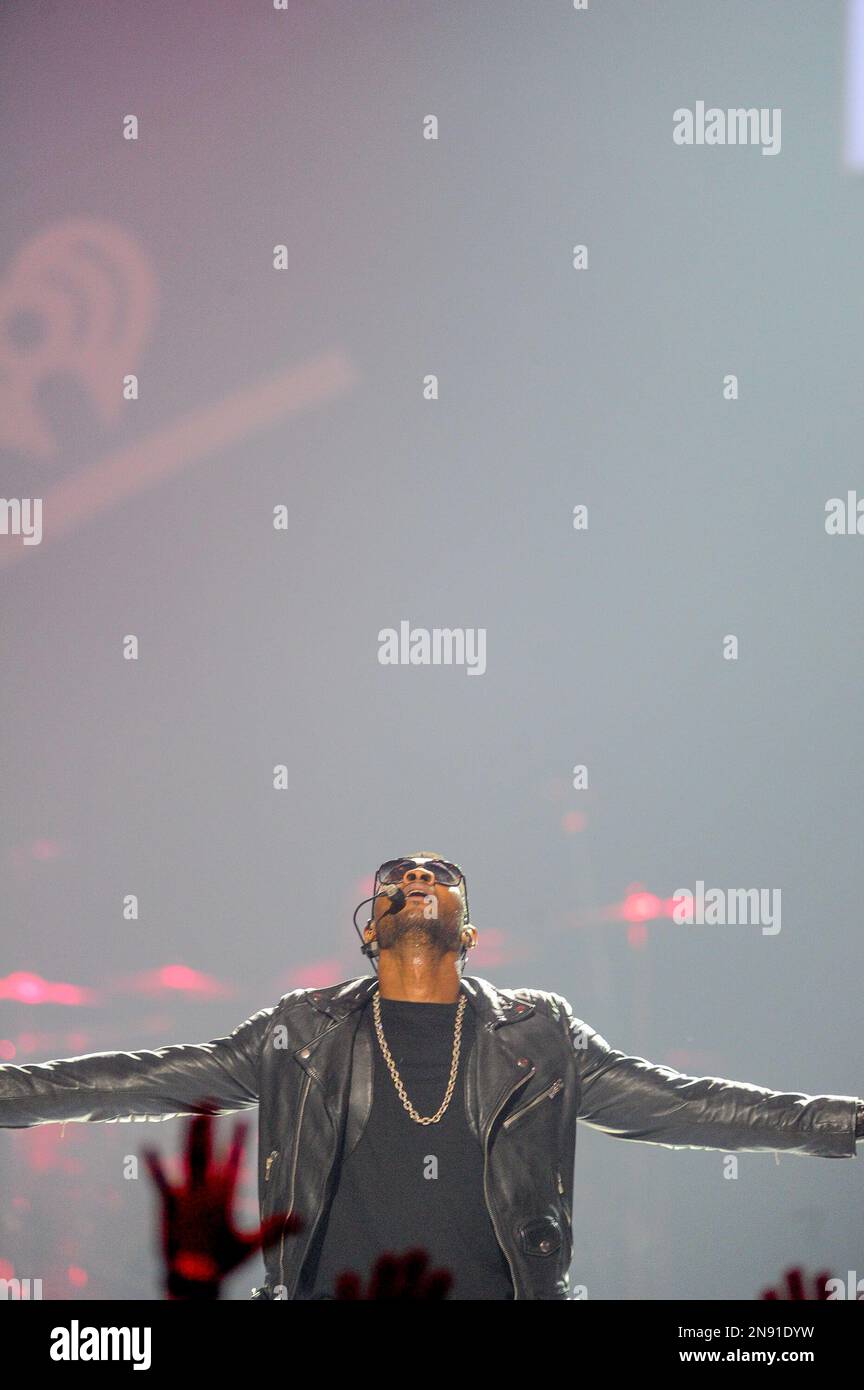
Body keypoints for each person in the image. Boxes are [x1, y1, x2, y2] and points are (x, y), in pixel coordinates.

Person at [1, 852, 862, 1301]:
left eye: (439, 875)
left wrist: (837, 1121)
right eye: (395, 879)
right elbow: (140, 1078)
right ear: (368, 931)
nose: (415, 878)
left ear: (471, 933)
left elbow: (683, 1105)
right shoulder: (300, 1032)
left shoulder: (540, 1034)